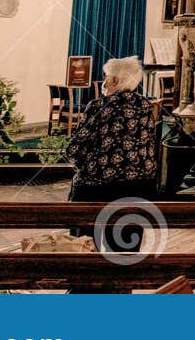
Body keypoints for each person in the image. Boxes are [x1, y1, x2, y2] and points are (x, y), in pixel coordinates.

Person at [67, 56, 159, 253]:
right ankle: (120, 271)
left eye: (106, 77)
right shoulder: (145, 107)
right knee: (123, 250)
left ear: (115, 80)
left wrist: (83, 165)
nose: (104, 81)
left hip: (96, 190)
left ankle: (84, 269)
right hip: (137, 190)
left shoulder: (99, 106)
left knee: (84, 245)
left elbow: (74, 148)